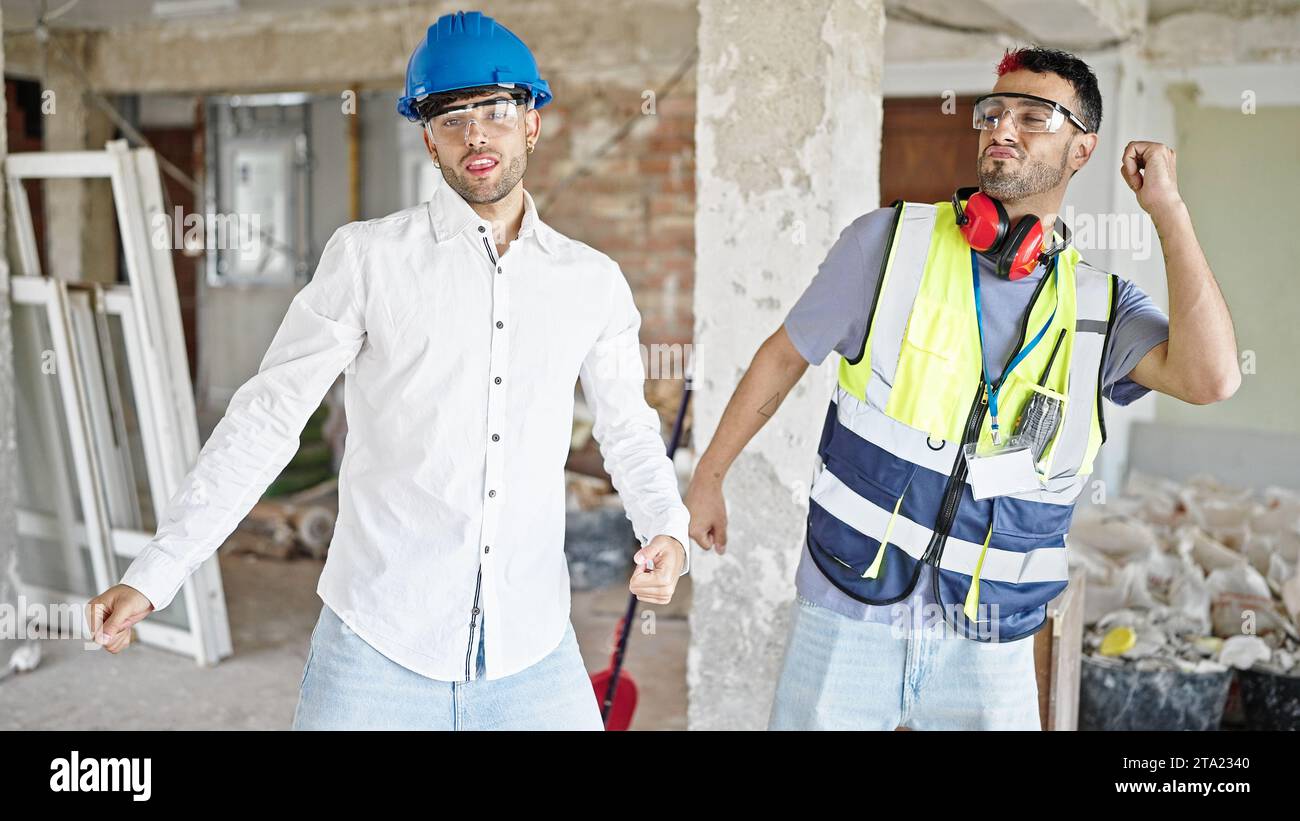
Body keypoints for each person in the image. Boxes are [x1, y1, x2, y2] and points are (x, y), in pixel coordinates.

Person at [86, 10, 690, 731]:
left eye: (496, 109)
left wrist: (667, 528)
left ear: (531, 121)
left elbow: (628, 432)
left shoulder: (590, 282)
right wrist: (158, 571)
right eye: (449, 113)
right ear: (425, 132)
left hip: (533, 652)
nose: (475, 134)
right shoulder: (367, 260)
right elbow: (268, 416)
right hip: (376, 648)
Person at [685, 47, 1238, 730]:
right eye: (993, 112)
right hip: (848, 605)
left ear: (1081, 150)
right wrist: (709, 475)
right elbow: (781, 357)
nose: (1002, 128)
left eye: (1034, 116)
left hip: (992, 637)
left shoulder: (1102, 306)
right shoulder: (887, 245)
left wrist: (1169, 212)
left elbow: (1212, 377)